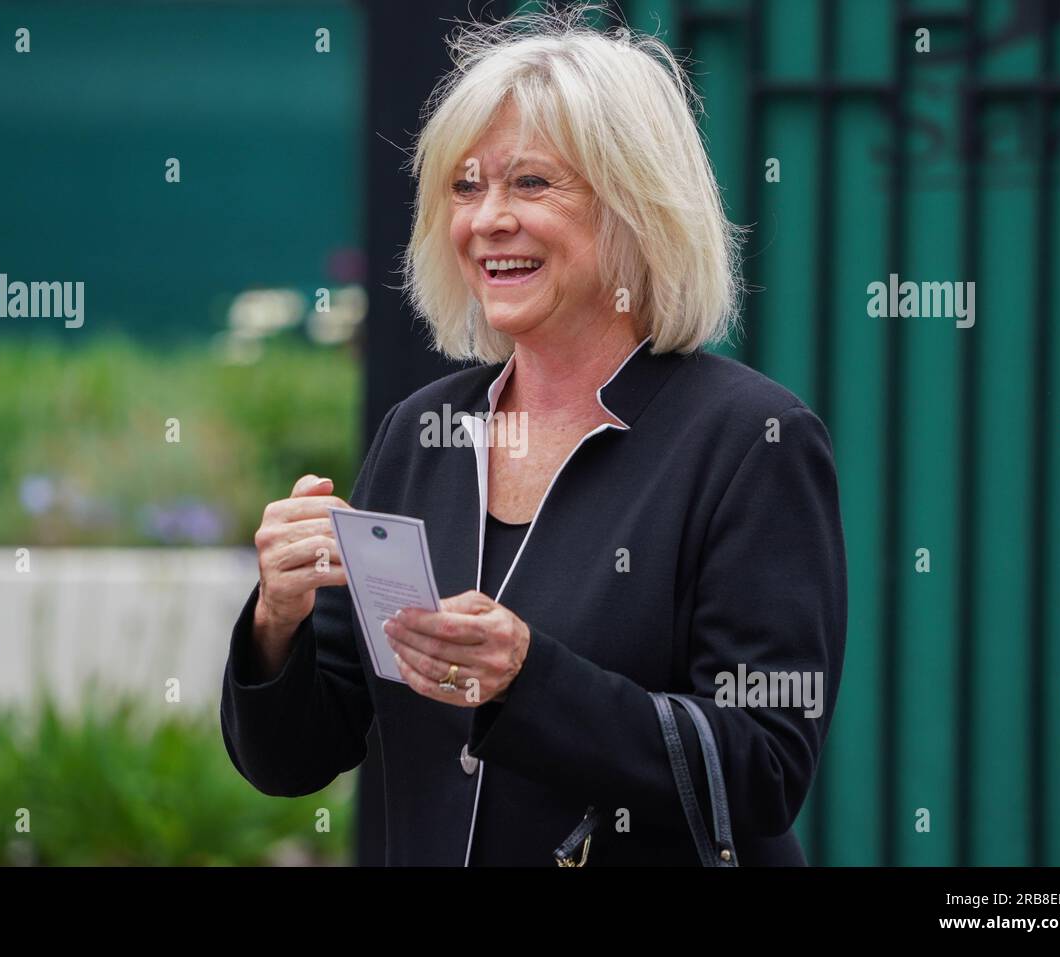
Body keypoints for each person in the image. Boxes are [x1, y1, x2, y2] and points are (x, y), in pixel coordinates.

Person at [221, 4, 847, 866]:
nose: (488, 219)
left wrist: (531, 679)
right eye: (466, 186)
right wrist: (276, 621)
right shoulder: (424, 431)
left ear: (634, 207)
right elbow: (297, 757)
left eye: (531, 183)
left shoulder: (751, 439)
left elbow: (764, 770)